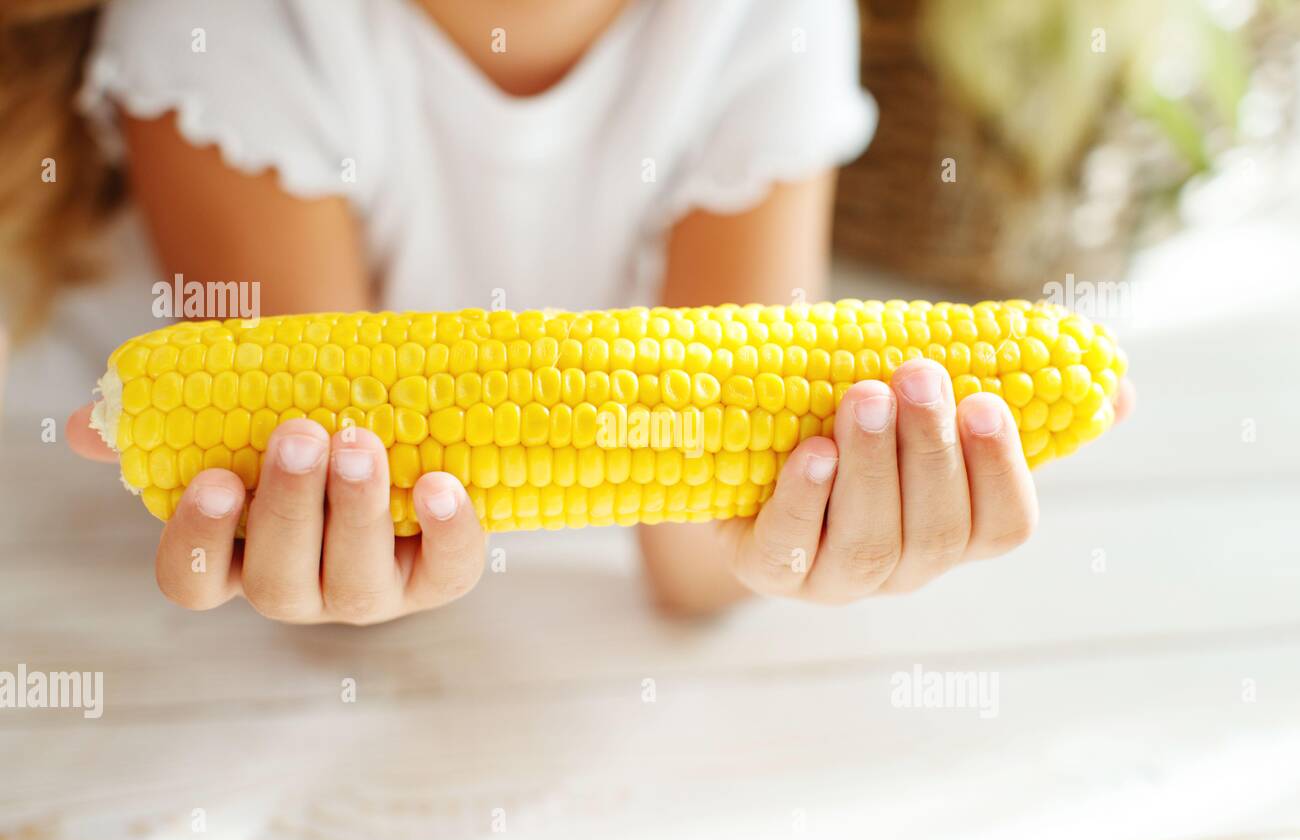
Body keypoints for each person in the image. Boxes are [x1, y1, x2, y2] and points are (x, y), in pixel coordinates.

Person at [5, 0, 1132, 623]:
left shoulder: (763, 21)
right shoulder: (232, 27)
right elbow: (343, 521)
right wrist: (349, 570)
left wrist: (812, 538)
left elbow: (695, 565)